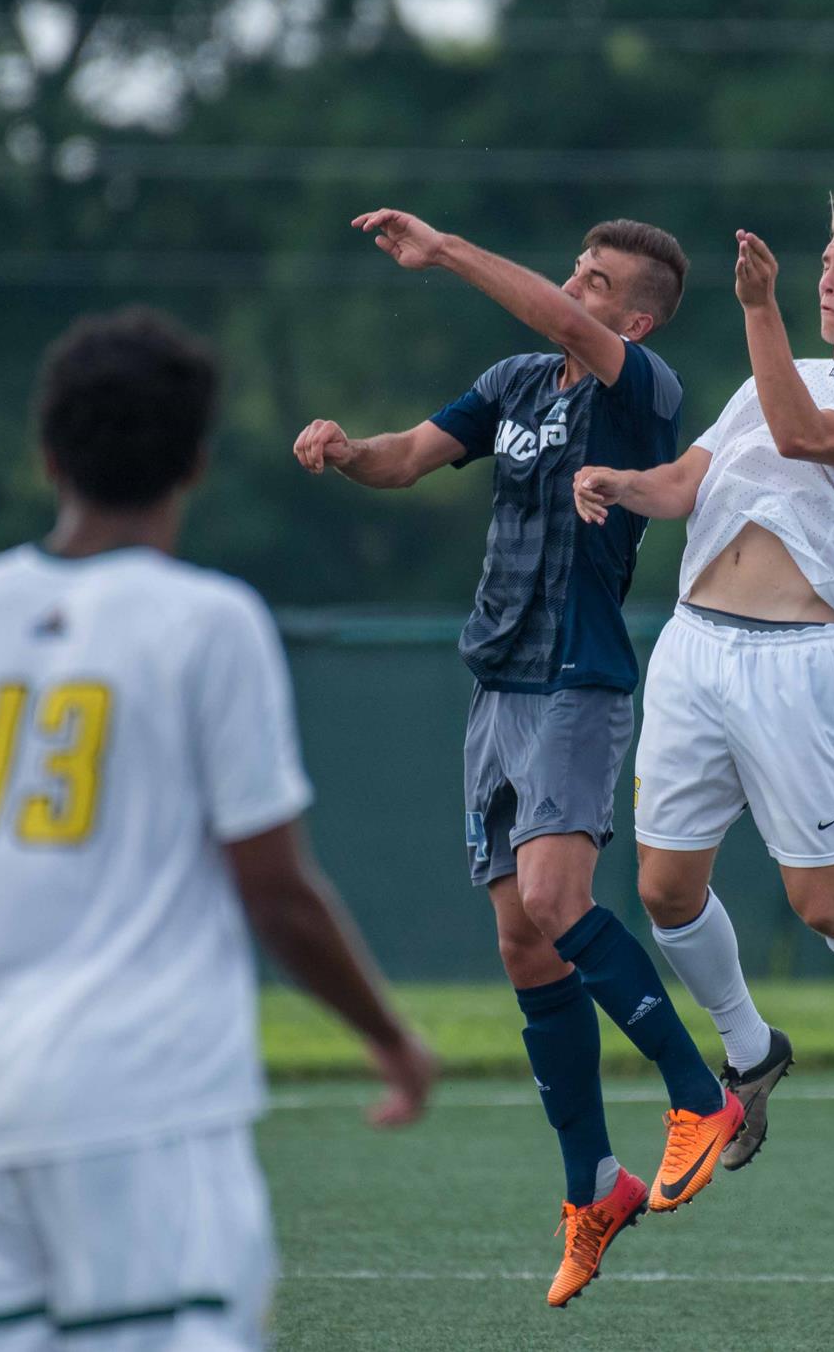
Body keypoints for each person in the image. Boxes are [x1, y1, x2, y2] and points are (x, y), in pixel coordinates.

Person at [0, 308, 436, 1349]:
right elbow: (274, 888)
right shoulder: (209, 621)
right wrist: (391, 1039)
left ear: (47, 455)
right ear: (194, 460)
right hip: (149, 1102)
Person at [292, 211, 742, 1308]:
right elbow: (408, 459)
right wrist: (350, 453)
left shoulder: (642, 388)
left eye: (594, 281)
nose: (571, 285)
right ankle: (593, 1181)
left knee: (554, 894)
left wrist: (446, 250)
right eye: (574, 267)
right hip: (495, 683)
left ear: (633, 317)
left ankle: (700, 1094)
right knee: (522, 941)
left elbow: (555, 318)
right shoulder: (514, 383)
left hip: (575, 677)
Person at [573, 188, 834, 1169]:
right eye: (822, 262)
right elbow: (689, 482)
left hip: (796, 664)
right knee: (662, 888)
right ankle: (751, 1050)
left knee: (824, 905)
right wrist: (621, 484)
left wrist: (757, 310)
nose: (825, 277)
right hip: (693, 647)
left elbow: (803, 437)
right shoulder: (769, 376)